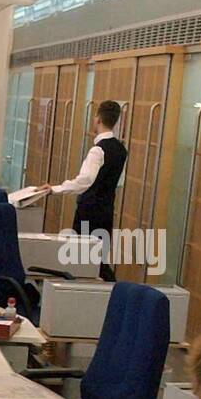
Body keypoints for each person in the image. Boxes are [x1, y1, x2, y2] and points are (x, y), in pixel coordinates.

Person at [40, 99, 127, 282]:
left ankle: (98, 293)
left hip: (89, 212)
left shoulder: (98, 151)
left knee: (81, 259)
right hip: (106, 211)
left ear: (97, 119)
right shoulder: (121, 150)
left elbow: (84, 182)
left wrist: (54, 189)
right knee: (98, 258)